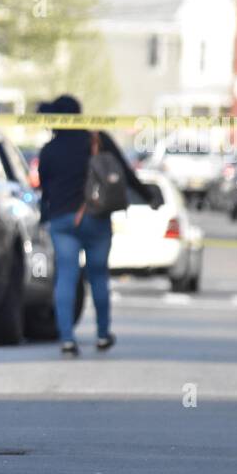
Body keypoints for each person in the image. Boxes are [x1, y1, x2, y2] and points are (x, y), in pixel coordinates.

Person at [37, 95, 160, 356]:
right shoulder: (96, 139)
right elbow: (124, 172)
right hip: (96, 218)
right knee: (99, 277)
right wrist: (148, 196)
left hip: (61, 222)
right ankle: (103, 334)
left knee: (66, 277)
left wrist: (44, 216)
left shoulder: (49, 150)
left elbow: (44, 190)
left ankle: (67, 339)